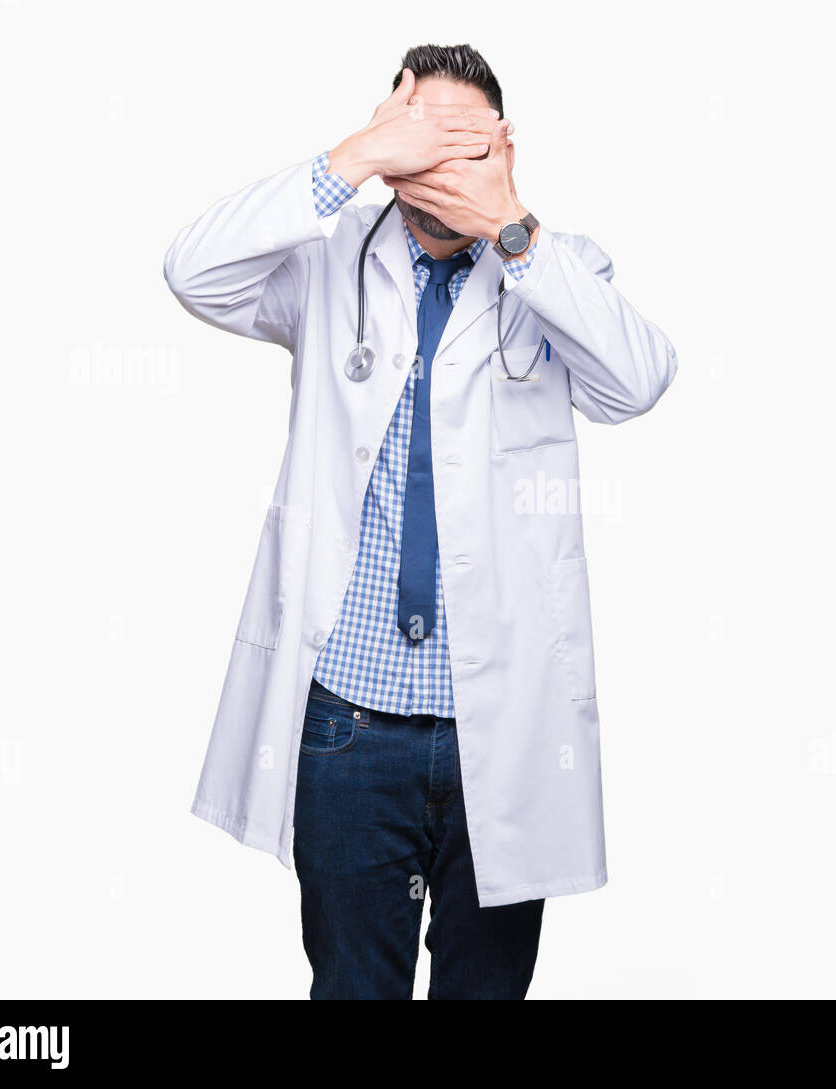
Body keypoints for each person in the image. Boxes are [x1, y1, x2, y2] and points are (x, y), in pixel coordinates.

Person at [163, 43, 677, 999]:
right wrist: (349, 158)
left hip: (501, 729)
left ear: (505, 150)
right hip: (348, 727)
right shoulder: (326, 263)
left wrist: (512, 229)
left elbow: (638, 380)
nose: (435, 167)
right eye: (416, 141)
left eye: (463, 146)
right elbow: (193, 270)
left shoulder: (553, 271)